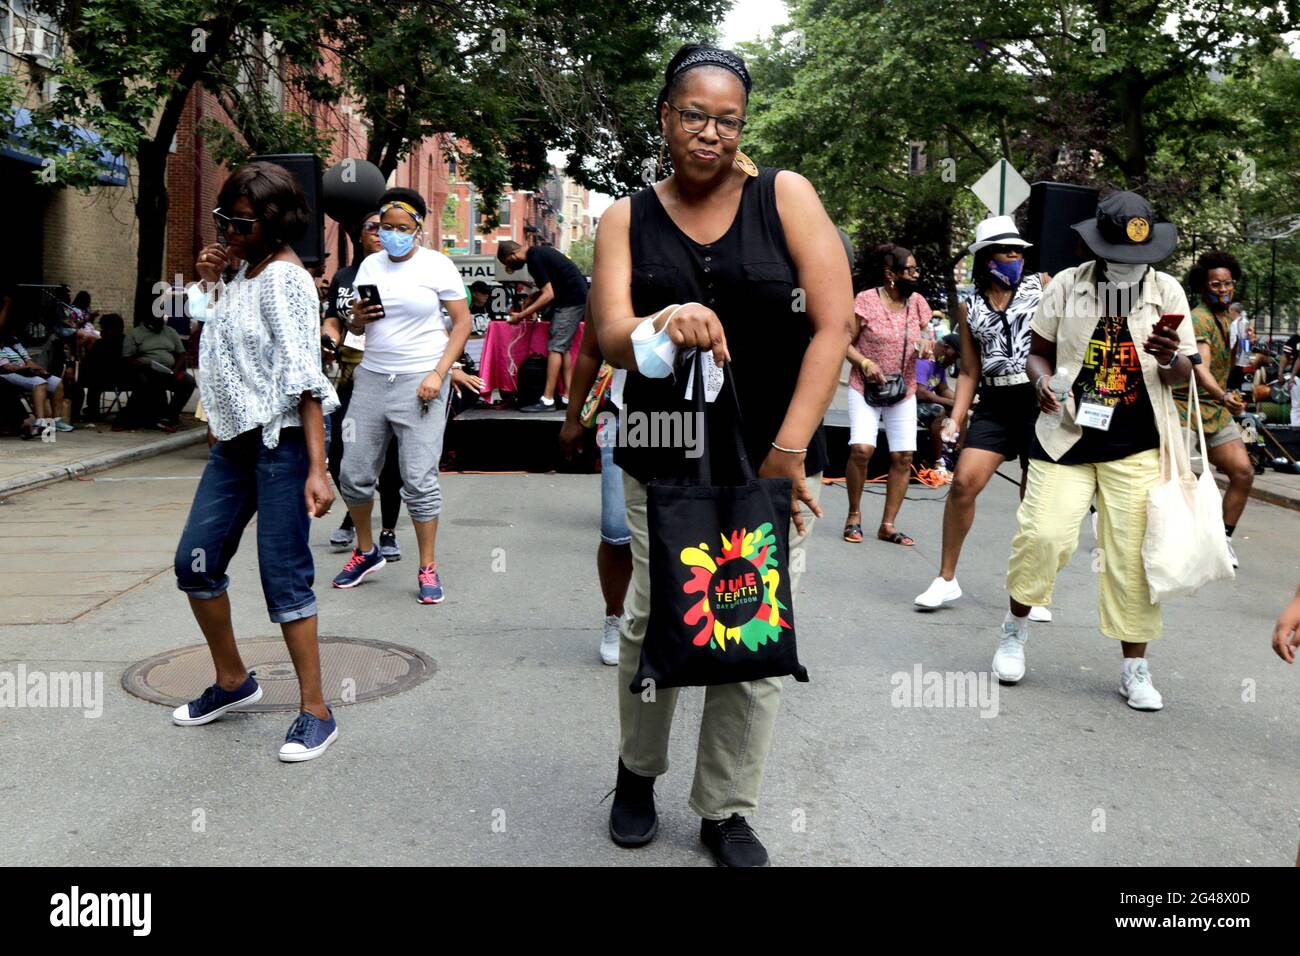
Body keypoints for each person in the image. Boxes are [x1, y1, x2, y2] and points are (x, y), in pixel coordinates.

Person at [591, 42, 852, 866]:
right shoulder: (625, 216)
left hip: (766, 454)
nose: (711, 133)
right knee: (652, 616)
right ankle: (637, 772)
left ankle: (726, 807)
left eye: (728, 119)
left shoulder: (785, 196)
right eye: (694, 115)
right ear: (665, 117)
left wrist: (789, 449)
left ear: (743, 125)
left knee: (752, 623)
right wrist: (664, 321)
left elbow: (833, 325)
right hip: (659, 443)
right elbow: (608, 337)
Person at [997, 191, 1199, 711]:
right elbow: (1037, 353)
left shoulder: (1167, 290)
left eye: (1140, 258)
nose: (1130, 267)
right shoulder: (1068, 285)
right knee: (1044, 535)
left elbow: (1182, 377)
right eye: (1120, 258)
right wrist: (1041, 384)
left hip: (1135, 445)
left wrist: (1171, 356)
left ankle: (1136, 668)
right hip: (1064, 435)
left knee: (1132, 556)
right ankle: (1014, 630)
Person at [171, 161, 340, 761]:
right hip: (232, 448)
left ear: (276, 223)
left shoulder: (286, 280)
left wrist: (318, 469)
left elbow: (305, 378)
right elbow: (217, 342)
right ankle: (233, 680)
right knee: (195, 562)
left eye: (241, 223)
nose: (228, 232)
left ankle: (316, 711)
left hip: (283, 446)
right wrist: (211, 280)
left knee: (284, 577)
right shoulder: (243, 273)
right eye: (225, 219)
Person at [333, 187, 473, 604]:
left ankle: (426, 566)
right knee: (352, 474)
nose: (391, 234)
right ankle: (365, 550)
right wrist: (354, 319)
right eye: (384, 227)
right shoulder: (369, 267)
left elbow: (462, 324)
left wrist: (438, 373)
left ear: (418, 229)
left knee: (418, 480)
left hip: (421, 380)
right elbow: (360, 328)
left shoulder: (438, 266)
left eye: (401, 228)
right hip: (372, 378)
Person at [914, 218, 1052, 619]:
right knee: (963, 484)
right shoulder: (969, 304)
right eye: (1007, 250)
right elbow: (970, 371)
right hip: (995, 402)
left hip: (1038, 399)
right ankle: (946, 578)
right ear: (986, 257)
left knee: (1035, 501)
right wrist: (956, 417)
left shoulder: (1040, 287)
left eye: (1019, 250)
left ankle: (1034, 590)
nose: (1016, 256)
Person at [321, 211, 404, 562]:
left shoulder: (406, 274)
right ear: (361, 234)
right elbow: (334, 318)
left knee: (388, 459)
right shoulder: (344, 277)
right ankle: (355, 516)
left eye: (387, 228)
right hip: (349, 373)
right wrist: (328, 337)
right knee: (341, 454)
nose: (380, 233)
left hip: (393, 373)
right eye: (373, 227)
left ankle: (386, 532)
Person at [842, 243, 934, 547]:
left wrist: (926, 347)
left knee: (904, 456)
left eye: (916, 269)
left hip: (902, 388)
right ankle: (854, 515)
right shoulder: (866, 301)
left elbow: (928, 338)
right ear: (890, 274)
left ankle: (888, 524)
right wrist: (865, 363)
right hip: (865, 385)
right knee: (862, 450)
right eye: (909, 270)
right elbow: (845, 342)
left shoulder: (918, 303)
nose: (915, 275)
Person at [559, 307, 633, 666]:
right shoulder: (621, 261)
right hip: (627, 417)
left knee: (688, 534)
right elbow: (590, 349)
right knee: (618, 533)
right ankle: (614, 618)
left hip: (699, 418)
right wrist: (573, 417)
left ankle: (678, 625)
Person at [1172, 251, 1254, 568]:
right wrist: (1223, 396)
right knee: (1184, 482)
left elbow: (1226, 367)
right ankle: (1175, 544)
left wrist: (1248, 354)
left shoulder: (1226, 319)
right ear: (1203, 285)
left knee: (1243, 472)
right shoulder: (1199, 318)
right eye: (1216, 284)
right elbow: (1200, 368)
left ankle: (1223, 539)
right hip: (1185, 407)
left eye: (1228, 283)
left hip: (1215, 410)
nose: (1223, 289)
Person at [496, 239, 588, 412]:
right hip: (574, 296)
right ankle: (568, 396)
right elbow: (552, 285)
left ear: (513, 254)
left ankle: (547, 399)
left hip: (570, 300)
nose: (511, 268)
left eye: (508, 263)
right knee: (563, 347)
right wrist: (532, 297)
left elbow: (549, 294)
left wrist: (521, 315)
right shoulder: (538, 253)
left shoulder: (533, 259)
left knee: (555, 348)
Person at [120, 311, 195, 432]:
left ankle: (170, 415)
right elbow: (127, 357)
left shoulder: (169, 331)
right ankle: (157, 416)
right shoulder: (136, 334)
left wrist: (176, 369)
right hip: (147, 370)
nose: (160, 325)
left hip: (170, 371)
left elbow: (181, 353)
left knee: (188, 381)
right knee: (153, 380)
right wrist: (139, 363)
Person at [0, 318, 72, 433]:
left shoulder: (14, 342)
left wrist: (37, 369)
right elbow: (7, 367)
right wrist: (27, 368)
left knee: (57, 382)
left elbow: (27, 359)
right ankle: (40, 421)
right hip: (8, 374)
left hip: (25, 371)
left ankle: (57, 420)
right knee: (39, 383)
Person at [914, 332, 959, 472]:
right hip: (907, 404)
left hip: (921, 404)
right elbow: (920, 393)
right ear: (945, 347)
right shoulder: (924, 360)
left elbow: (944, 389)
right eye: (954, 356)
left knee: (960, 411)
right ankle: (937, 461)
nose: (953, 361)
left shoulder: (939, 366)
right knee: (938, 411)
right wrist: (951, 403)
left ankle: (956, 453)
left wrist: (964, 402)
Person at [1227, 302, 1252, 391]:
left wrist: (1231, 353)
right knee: (1239, 374)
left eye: (1229, 310)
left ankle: (1232, 391)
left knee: (1233, 376)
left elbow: (1234, 340)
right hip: (1243, 354)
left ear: (1234, 311)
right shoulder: (1245, 322)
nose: (1228, 313)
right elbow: (1247, 339)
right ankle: (1237, 391)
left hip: (1236, 354)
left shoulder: (1235, 323)